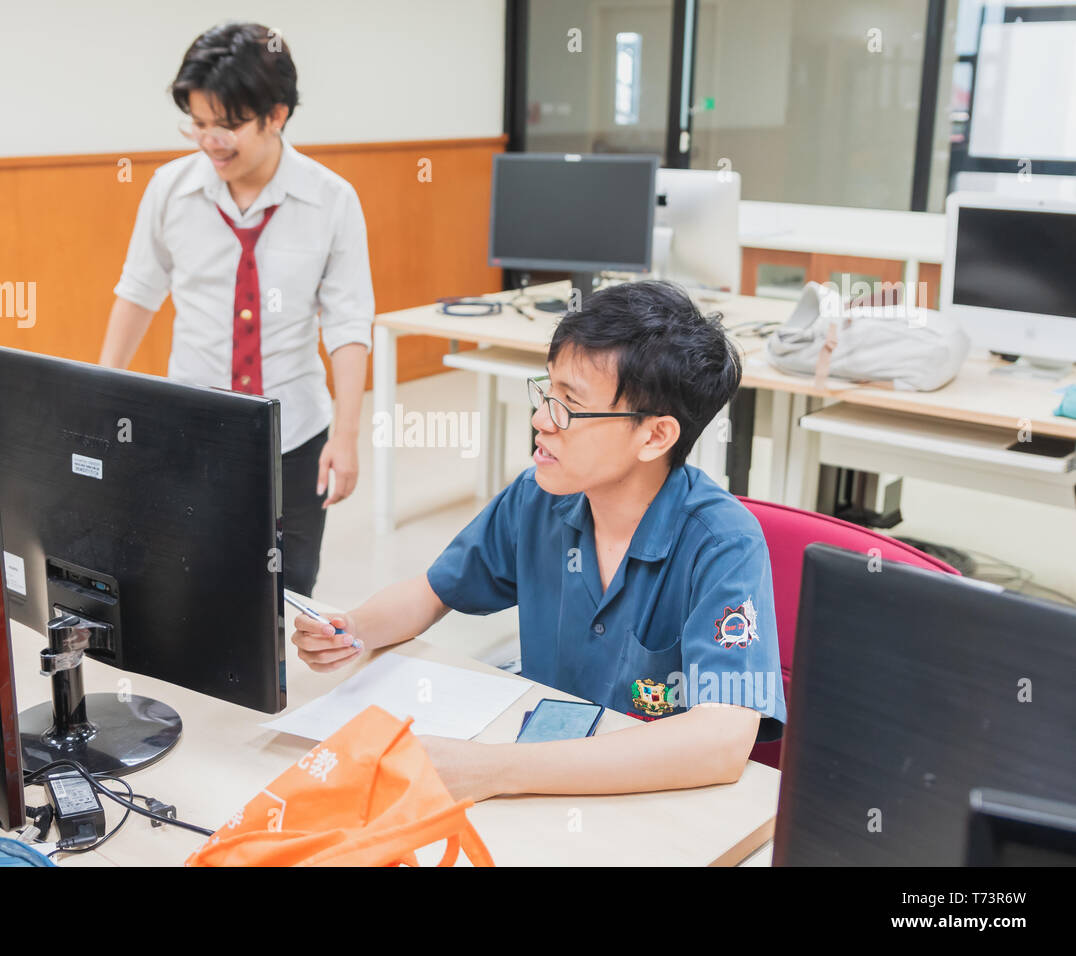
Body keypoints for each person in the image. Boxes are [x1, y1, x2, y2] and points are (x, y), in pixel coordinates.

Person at [292, 281, 786, 801]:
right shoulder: (539, 497)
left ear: (655, 436)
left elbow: (723, 739)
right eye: (546, 392)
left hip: (646, 797)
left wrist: (495, 771)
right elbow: (433, 591)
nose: (540, 419)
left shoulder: (723, 543)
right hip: (541, 768)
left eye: (569, 405)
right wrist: (352, 630)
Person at [100, 22, 374, 597]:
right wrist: (100, 395)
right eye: (197, 124)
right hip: (190, 429)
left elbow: (347, 323)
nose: (210, 141)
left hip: (295, 433)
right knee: (194, 584)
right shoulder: (170, 190)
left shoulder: (331, 200)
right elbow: (138, 292)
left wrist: (346, 436)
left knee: (288, 590)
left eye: (226, 125)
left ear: (276, 115)